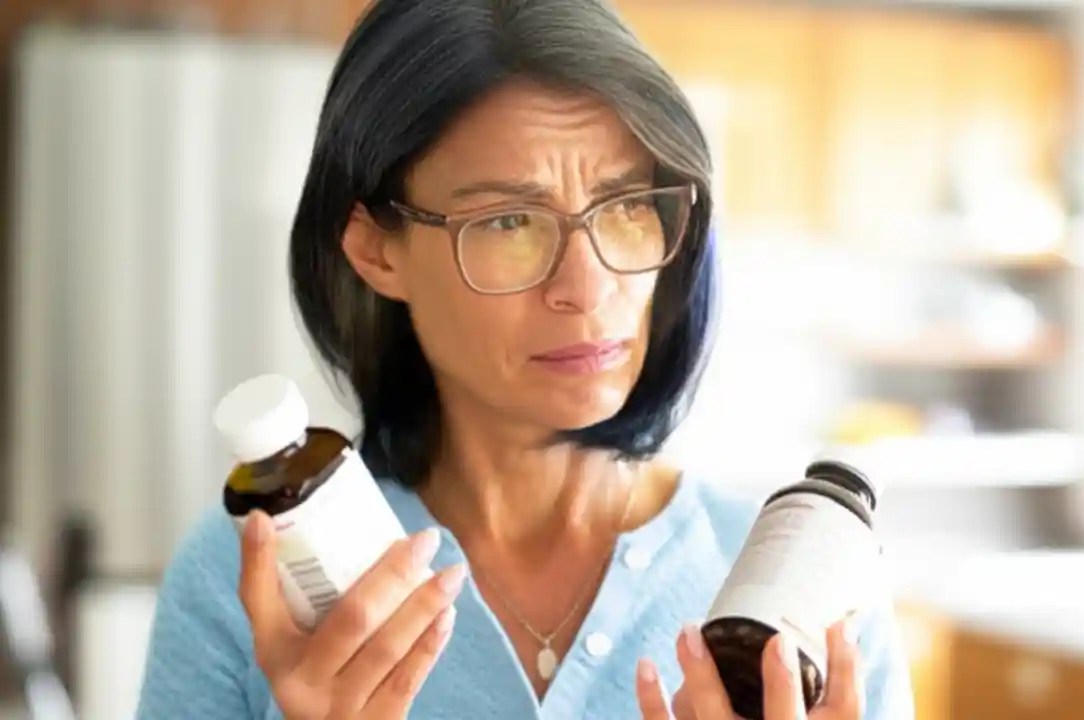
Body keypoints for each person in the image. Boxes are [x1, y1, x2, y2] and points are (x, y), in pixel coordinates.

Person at [136, 0, 915, 718]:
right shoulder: (248, 584)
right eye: (510, 221)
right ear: (375, 247)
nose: (588, 287)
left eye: (629, 206)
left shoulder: (800, 595)